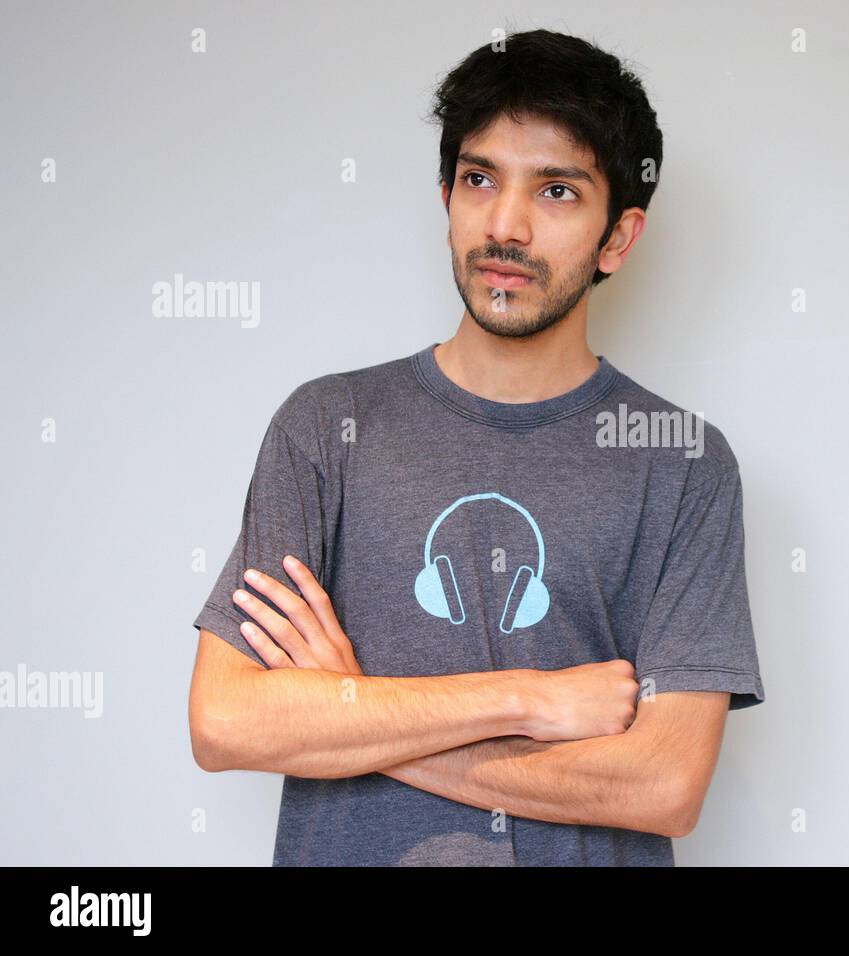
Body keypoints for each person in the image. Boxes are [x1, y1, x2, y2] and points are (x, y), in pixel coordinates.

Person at [187, 28, 765, 866]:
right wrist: (529, 700)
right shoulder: (324, 426)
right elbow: (226, 722)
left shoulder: (682, 462)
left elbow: (663, 788)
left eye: (558, 190)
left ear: (619, 237)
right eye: (478, 178)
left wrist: (359, 709)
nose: (506, 224)